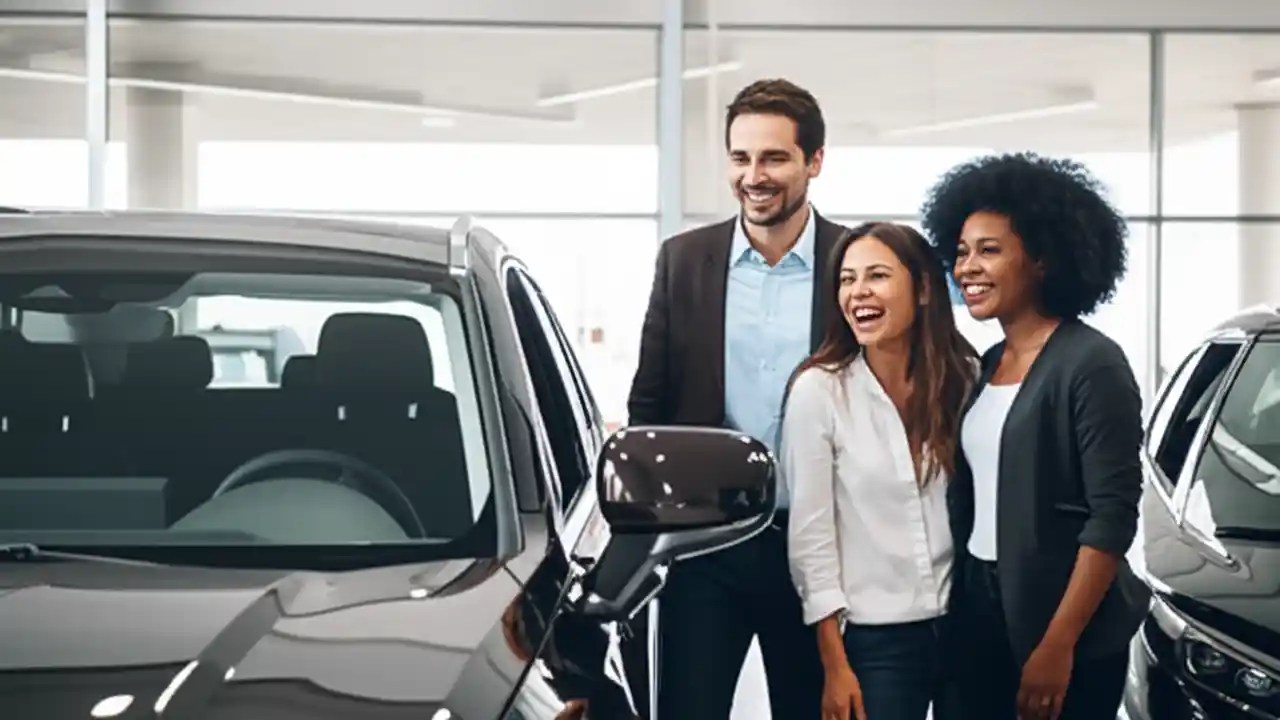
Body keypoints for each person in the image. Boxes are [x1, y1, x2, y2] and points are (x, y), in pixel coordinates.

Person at [625, 77, 848, 719]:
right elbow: (650, 409)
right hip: (703, 549)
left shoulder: (854, 262)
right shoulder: (684, 261)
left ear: (814, 162)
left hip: (822, 548)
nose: (755, 175)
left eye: (775, 157)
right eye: (740, 157)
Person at [918, 151, 1152, 720]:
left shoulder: (1091, 363)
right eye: (963, 251)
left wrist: (1058, 644)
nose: (967, 267)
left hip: (1061, 621)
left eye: (990, 250)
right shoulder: (990, 361)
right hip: (979, 607)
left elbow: (1113, 515)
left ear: (1044, 259)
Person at [782, 222, 978, 720]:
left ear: (924, 289)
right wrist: (834, 664)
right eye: (847, 280)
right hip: (875, 643)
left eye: (877, 276)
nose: (858, 292)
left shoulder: (967, 379)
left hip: (968, 626)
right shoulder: (820, 392)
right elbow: (811, 540)